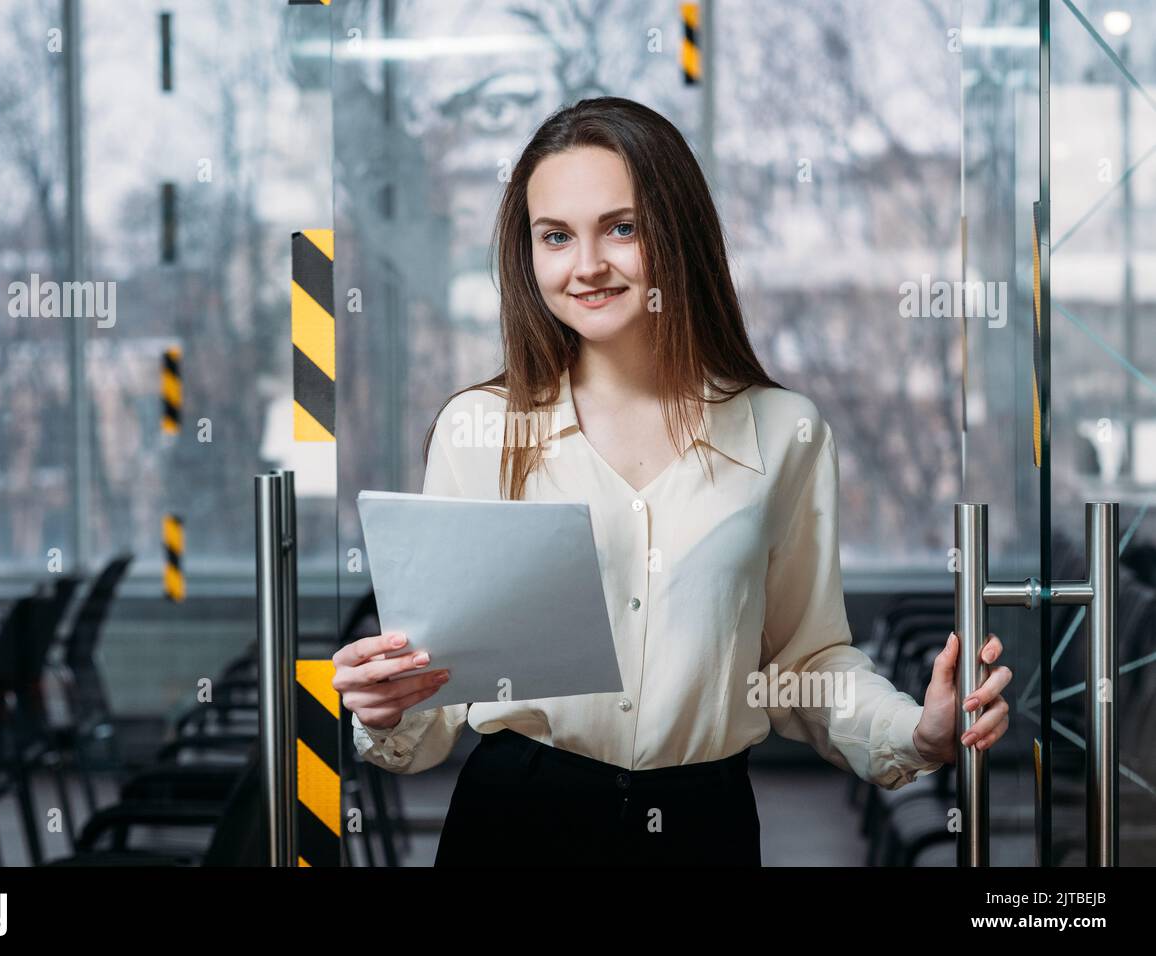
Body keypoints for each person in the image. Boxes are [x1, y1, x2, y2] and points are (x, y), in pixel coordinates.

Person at [332, 96, 1011, 867]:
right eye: (555, 237)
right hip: (514, 827)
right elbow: (433, 703)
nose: (586, 265)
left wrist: (912, 734)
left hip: (703, 833)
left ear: (678, 233)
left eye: (621, 228)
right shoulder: (478, 432)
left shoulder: (783, 432)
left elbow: (803, 665)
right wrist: (385, 707)